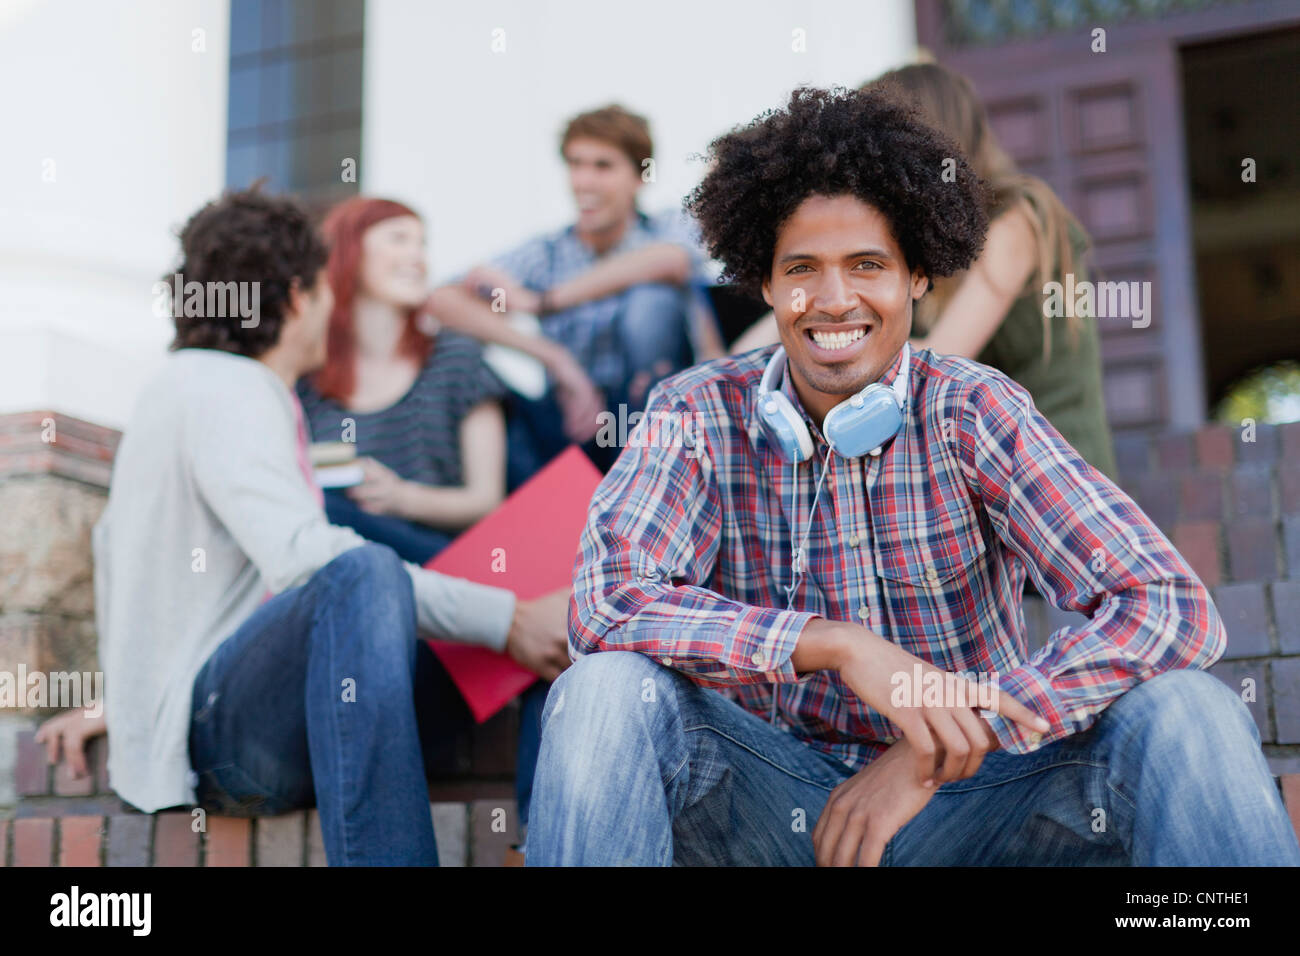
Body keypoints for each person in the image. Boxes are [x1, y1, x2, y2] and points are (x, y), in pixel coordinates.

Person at [525, 88, 1299, 866]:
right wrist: (836, 645)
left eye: (867, 265)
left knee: (1188, 707)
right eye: (802, 269)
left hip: (976, 800)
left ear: (918, 277)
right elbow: (609, 602)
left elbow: (1170, 606)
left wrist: (966, 728)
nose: (834, 300)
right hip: (772, 806)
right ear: (765, 284)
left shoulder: (974, 408)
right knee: (603, 691)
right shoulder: (694, 411)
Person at [89, 186, 568, 866]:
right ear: (297, 299)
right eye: (323, 288)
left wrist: (516, 620)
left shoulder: (197, 388)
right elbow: (305, 558)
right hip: (225, 737)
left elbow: (114, 559)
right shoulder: (224, 385)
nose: (331, 305)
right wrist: (505, 617)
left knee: (548, 620)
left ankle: (544, 850)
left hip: (258, 721)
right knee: (362, 571)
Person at [295, 195, 550, 839]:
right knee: (335, 528)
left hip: (464, 591)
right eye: (397, 240)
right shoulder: (308, 386)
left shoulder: (455, 359)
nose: (417, 256)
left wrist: (399, 496)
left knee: (552, 648)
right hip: (379, 626)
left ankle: (540, 844)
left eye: (421, 242)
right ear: (349, 255)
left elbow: (485, 500)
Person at [730, 62, 1118, 480]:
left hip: (1054, 465)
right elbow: (740, 356)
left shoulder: (1019, 218)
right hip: (987, 466)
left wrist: (833, 334)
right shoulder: (917, 237)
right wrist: (803, 308)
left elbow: (943, 354)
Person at [427, 104, 722, 487]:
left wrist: (543, 302)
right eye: (575, 164)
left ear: (640, 177)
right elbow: (442, 301)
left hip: (647, 416)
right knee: (459, 353)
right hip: (571, 417)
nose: (584, 181)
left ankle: (647, 482)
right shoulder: (546, 251)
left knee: (651, 303)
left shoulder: (665, 228)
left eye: (603, 166)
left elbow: (672, 260)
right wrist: (555, 359)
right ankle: (533, 509)